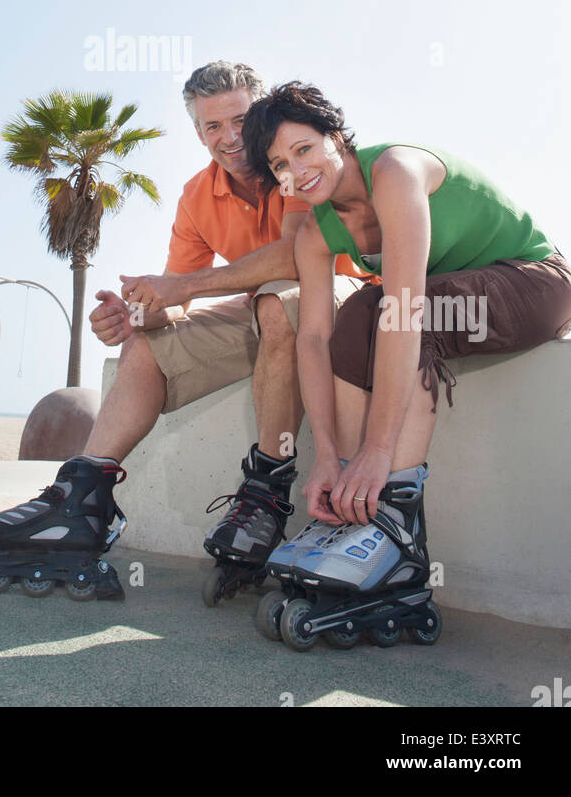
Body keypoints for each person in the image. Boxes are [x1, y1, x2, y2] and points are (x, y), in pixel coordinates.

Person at [129, 80, 571, 632]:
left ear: (335, 136)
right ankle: (352, 512)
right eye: (281, 165)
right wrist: (331, 459)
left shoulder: (395, 172)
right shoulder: (316, 229)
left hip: (535, 283)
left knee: (398, 310)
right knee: (357, 315)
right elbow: (314, 340)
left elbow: (408, 311)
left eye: (305, 149)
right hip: (447, 294)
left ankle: (396, 528)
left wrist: (377, 452)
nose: (298, 170)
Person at [0, 63, 371, 603]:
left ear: (261, 116)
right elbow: (175, 297)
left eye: (239, 120)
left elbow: (292, 254)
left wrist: (185, 286)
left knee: (274, 302)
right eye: (211, 127)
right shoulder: (197, 196)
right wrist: (139, 315)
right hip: (269, 310)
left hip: (343, 294)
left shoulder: (291, 164)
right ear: (198, 133)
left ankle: (264, 497)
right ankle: (82, 500)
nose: (229, 137)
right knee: (147, 342)